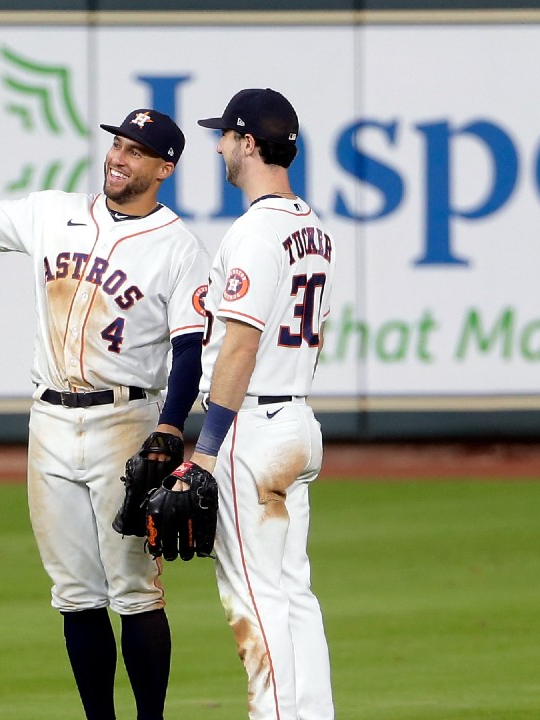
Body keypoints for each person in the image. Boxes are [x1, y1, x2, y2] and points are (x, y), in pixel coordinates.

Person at [0, 65, 212, 720]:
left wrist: (170, 429)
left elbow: (189, 349)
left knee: (135, 590)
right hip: (50, 418)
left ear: (164, 169)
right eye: (118, 144)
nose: (120, 158)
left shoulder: (178, 246)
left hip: (127, 419)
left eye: (136, 151)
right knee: (75, 593)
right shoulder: (53, 212)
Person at [185, 88, 336, 719]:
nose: (218, 144)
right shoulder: (313, 227)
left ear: (249, 142)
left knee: (254, 598)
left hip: (252, 428)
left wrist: (206, 452)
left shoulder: (255, 232)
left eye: (225, 134)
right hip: (296, 417)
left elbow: (238, 347)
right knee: (293, 593)